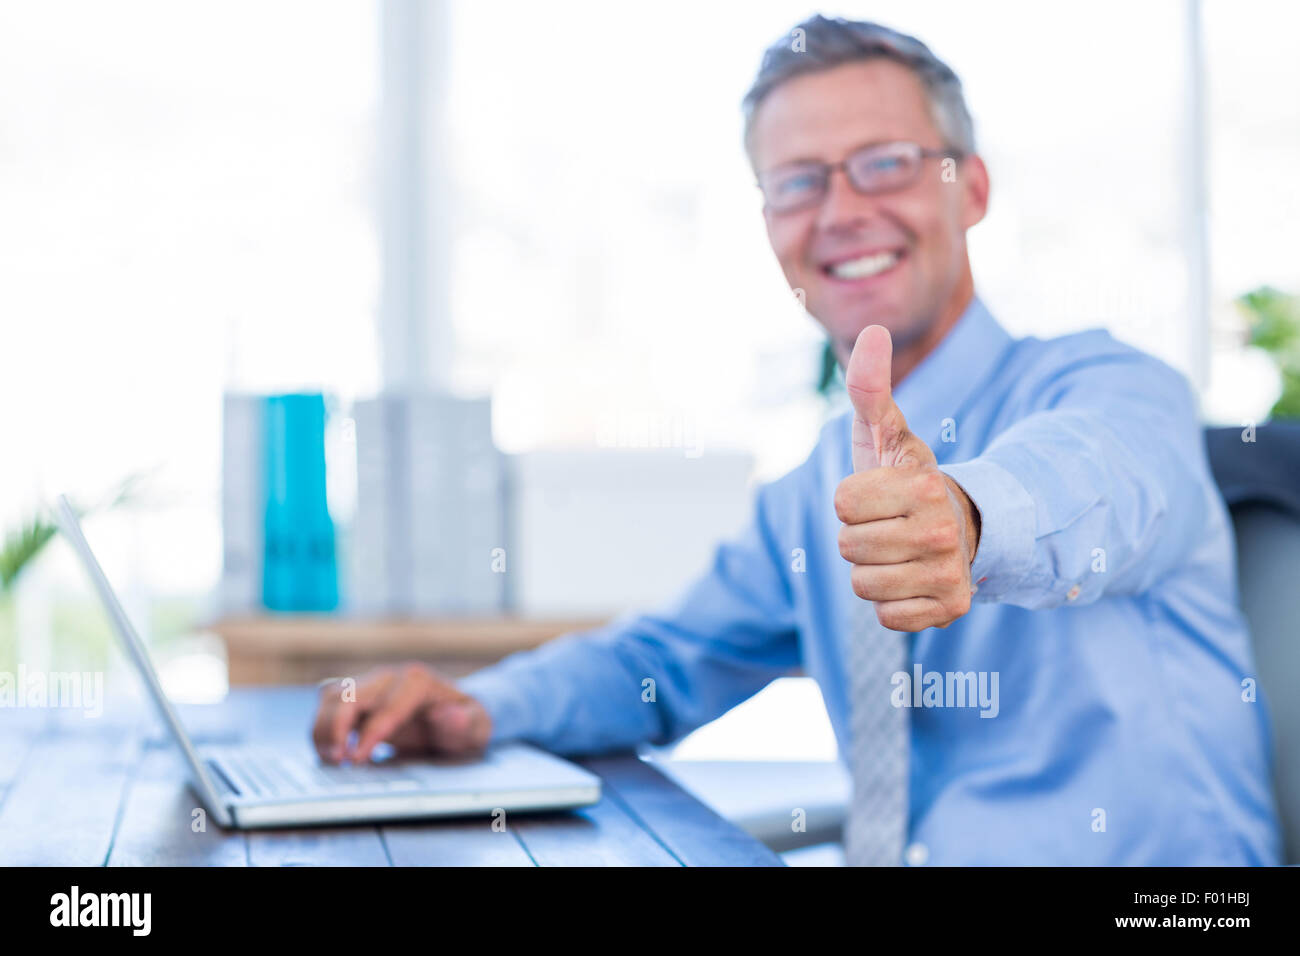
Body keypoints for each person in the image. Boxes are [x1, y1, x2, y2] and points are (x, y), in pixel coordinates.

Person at [312, 15, 1280, 865]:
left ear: (971, 188)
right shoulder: (817, 488)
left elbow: (1103, 476)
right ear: (770, 223)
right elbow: (658, 659)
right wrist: (480, 707)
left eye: (886, 163)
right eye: (797, 181)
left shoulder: (1111, 385)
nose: (843, 209)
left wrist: (969, 513)